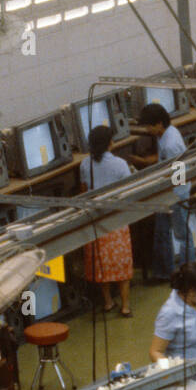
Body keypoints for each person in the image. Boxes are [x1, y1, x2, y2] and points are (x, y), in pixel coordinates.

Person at [129, 102, 194, 281]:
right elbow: (163, 160)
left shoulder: (171, 143)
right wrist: (144, 162)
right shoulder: (164, 134)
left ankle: (189, 274)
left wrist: (162, 187)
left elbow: (179, 176)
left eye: (149, 126)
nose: (148, 130)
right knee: (161, 232)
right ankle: (165, 272)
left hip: (176, 194)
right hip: (166, 193)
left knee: (182, 235)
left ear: (159, 123)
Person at [79, 124, 134, 316]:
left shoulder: (85, 164)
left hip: (96, 222)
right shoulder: (120, 164)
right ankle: (126, 306)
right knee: (122, 265)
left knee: (102, 265)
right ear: (110, 143)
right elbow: (129, 190)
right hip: (116, 220)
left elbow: (84, 191)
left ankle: (108, 302)